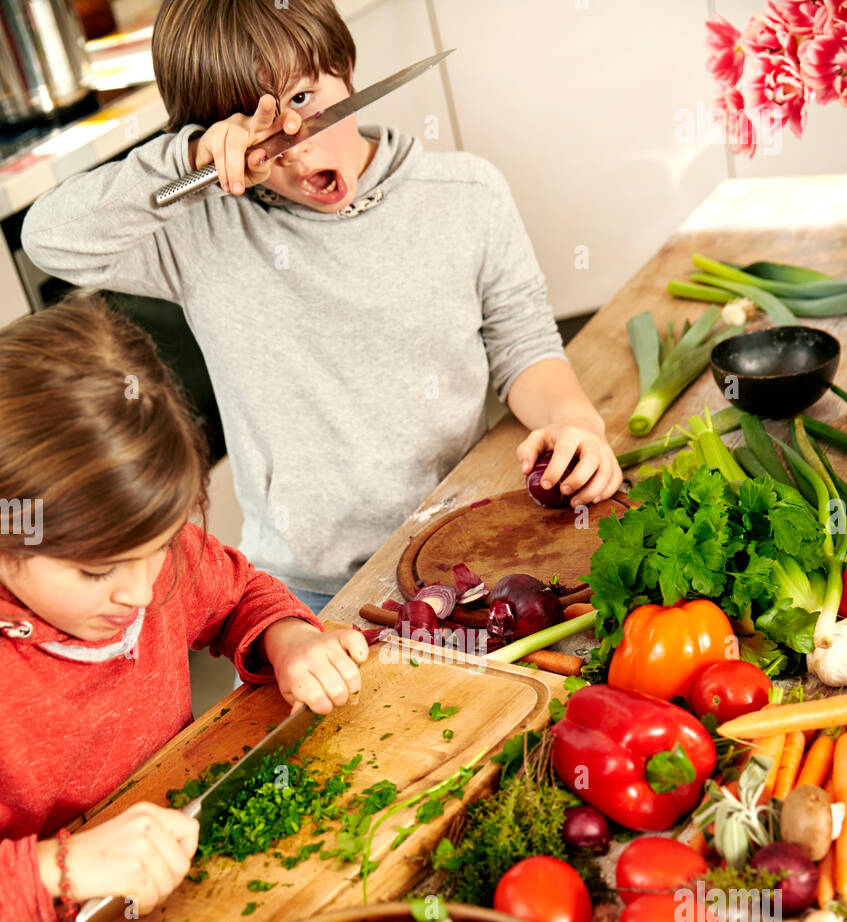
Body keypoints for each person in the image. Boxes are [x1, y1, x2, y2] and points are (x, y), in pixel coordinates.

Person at [21, 0, 622, 615]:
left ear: (346, 70)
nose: (297, 149)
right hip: (296, 592)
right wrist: (188, 160)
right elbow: (48, 239)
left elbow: (525, 348)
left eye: (304, 100)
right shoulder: (198, 232)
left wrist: (577, 421)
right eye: (255, 130)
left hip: (460, 553)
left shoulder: (466, 194)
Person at [0, 296, 368, 922]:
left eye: (162, 546)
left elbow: (234, 596)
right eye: (97, 572)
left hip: (177, 885)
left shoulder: (145, 558)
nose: (142, 593)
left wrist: (287, 637)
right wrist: (64, 870)